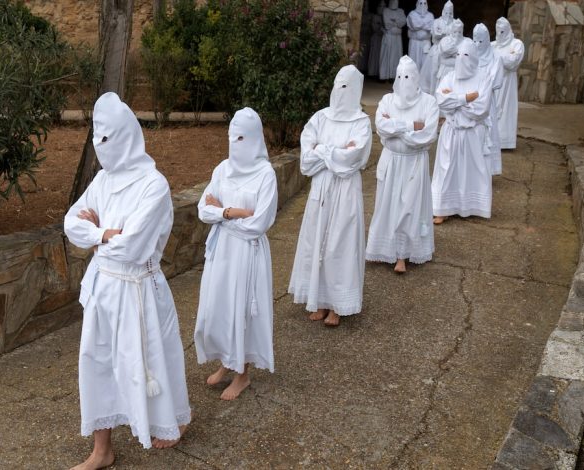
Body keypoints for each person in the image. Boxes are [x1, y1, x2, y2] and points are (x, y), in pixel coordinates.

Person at [64, 92, 191, 469]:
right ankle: (102, 450)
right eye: (96, 138)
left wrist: (95, 235)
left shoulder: (153, 184)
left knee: (153, 359)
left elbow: (133, 248)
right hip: (104, 288)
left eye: (107, 138)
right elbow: (71, 223)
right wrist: (105, 234)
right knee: (97, 363)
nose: (100, 146)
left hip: (139, 289)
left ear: (127, 135)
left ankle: (173, 418)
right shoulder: (102, 180)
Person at [194, 108, 278, 401]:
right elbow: (203, 210)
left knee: (241, 309)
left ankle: (242, 374)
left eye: (241, 137)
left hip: (246, 253)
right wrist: (233, 212)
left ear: (254, 138)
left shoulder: (265, 174)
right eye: (232, 136)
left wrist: (221, 213)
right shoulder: (222, 169)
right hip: (222, 250)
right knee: (220, 306)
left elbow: (259, 224)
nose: (235, 143)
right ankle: (227, 362)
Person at [289, 65, 372, 327]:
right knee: (317, 241)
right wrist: (336, 151)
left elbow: (352, 160)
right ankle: (321, 300)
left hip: (345, 190)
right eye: (338, 84)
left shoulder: (361, 122)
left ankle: (338, 305)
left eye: (346, 86)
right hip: (321, 187)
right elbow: (306, 161)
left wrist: (322, 150)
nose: (340, 90)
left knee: (340, 244)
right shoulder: (320, 118)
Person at [367, 56, 439, 273]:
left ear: (416, 77)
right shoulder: (387, 100)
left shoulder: (428, 102)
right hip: (392, 161)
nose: (403, 81)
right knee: (387, 206)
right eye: (400, 76)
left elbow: (427, 135)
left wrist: (395, 128)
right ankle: (384, 249)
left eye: (408, 76)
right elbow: (381, 126)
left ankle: (403, 255)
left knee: (409, 208)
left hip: (414, 163)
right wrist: (410, 125)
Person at [431, 39, 493, 223]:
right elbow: (441, 100)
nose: (460, 59)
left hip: (472, 132)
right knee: (447, 169)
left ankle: (471, 206)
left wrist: (454, 101)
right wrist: (466, 98)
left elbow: (481, 108)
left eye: (465, 55)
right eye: (457, 55)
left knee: (472, 170)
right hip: (451, 130)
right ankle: (442, 208)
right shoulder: (449, 77)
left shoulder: (483, 77)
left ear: (473, 57)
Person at [473, 23, 505, 175]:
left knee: (488, 131)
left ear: (486, 40)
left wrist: (478, 84)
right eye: (475, 40)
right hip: (470, 101)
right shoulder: (471, 54)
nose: (477, 45)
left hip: (486, 101)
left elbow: (495, 81)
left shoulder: (495, 58)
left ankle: (487, 169)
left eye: (481, 41)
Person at [492, 17, 525, 150]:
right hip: (494, 82)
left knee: (506, 110)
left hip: (508, 82)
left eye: (503, 31)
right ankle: (491, 139)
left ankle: (504, 141)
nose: (500, 34)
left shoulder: (517, 44)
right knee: (493, 108)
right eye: (498, 31)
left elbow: (513, 62)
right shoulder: (493, 45)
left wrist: (496, 57)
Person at [419, 15, 448, 94]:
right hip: (436, 49)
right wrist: (443, 34)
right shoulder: (437, 22)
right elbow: (435, 34)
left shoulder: (454, 22)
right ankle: (430, 88)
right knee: (432, 70)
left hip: (446, 50)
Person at [379, 0, 406, 81]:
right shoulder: (386, 11)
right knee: (386, 56)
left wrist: (394, 21)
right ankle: (384, 76)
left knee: (396, 56)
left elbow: (403, 21)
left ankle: (393, 75)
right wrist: (397, 22)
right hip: (388, 36)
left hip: (397, 38)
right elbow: (387, 22)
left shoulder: (401, 11)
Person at [406, 1, 434, 69]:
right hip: (415, 42)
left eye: (424, 3)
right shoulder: (412, 14)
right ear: (417, 4)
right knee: (414, 60)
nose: (423, 5)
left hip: (426, 42)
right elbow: (414, 25)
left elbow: (431, 27)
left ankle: (424, 75)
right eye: (421, 3)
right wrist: (425, 24)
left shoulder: (430, 15)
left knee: (425, 61)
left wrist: (420, 24)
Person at [437, 18, 464, 83]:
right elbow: (444, 52)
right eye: (455, 32)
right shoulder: (445, 40)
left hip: (459, 71)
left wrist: (452, 53)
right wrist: (458, 52)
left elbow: (466, 54)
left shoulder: (466, 41)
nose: (457, 34)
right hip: (446, 70)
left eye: (459, 32)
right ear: (452, 31)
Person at [368, 3, 385, 77]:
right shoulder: (375, 16)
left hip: (383, 38)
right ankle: (372, 72)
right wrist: (379, 29)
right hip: (376, 37)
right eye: (380, 6)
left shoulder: (385, 16)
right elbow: (374, 26)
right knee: (374, 55)